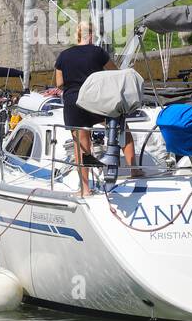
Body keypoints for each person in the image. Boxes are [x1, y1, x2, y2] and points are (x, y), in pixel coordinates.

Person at [54, 21, 134, 196]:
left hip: (74, 102)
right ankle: (134, 170)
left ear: (78, 35)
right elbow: (115, 73)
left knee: (82, 144)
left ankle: (85, 189)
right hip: (97, 99)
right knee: (120, 128)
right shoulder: (98, 52)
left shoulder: (63, 56)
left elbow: (59, 83)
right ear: (91, 35)